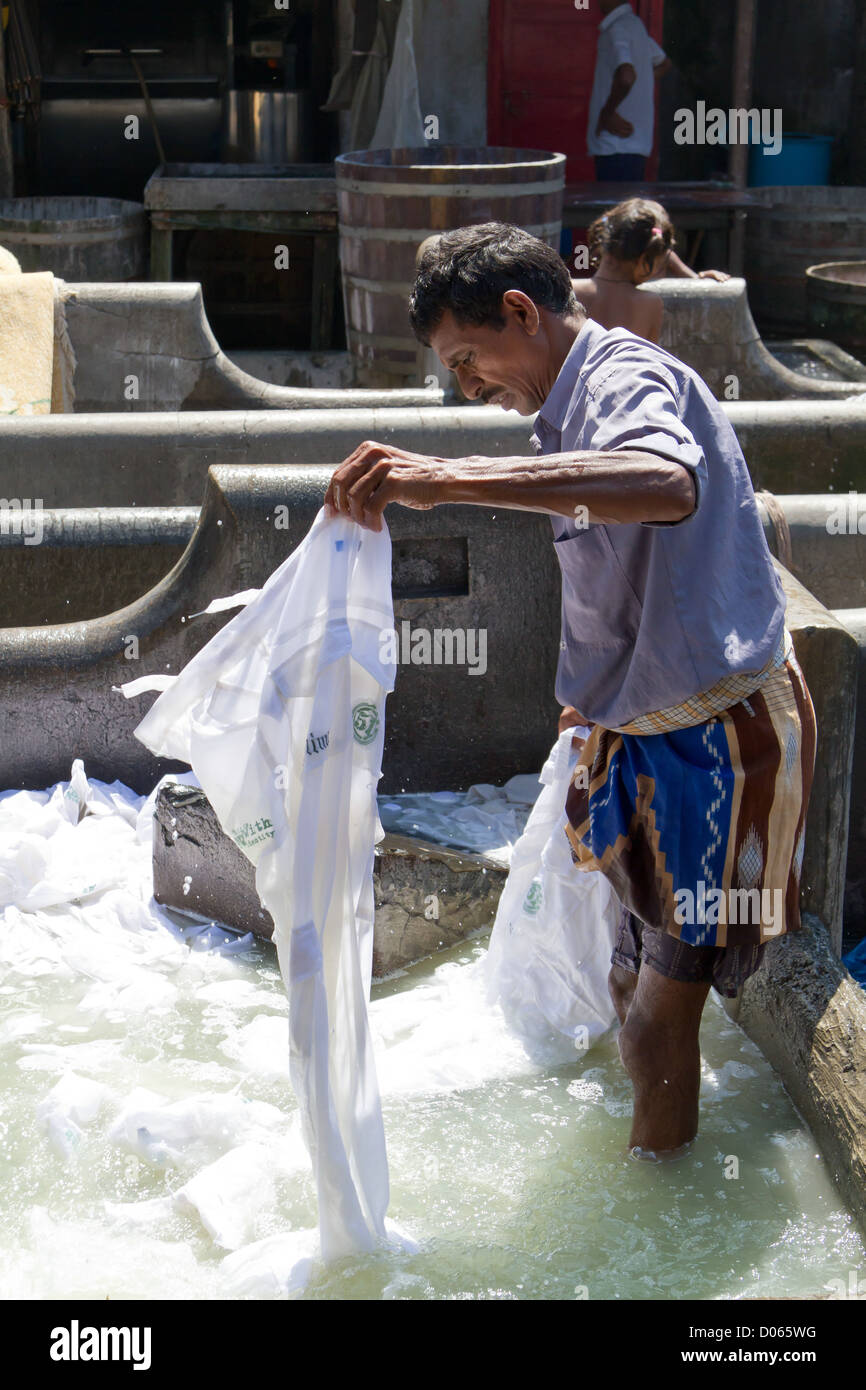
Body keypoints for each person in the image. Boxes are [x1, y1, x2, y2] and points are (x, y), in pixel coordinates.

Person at [324, 222, 816, 1161]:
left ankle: (661, 1233)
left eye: (468, 359)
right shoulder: (564, 409)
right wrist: (592, 695)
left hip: (715, 744)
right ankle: (664, 1175)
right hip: (640, 730)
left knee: (653, 1024)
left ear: (520, 312)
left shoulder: (622, 379)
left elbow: (666, 484)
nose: (467, 386)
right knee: (629, 992)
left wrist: (449, 477)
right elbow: (614, 561)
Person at [573, 197, 730, 343]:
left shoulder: (571, 291)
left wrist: (698, 277)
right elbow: (648, 362)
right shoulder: (650, 303)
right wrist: (700, 278)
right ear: (644, 259)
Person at [588, 1, 671, 182]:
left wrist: (607, 113)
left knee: (616, 206)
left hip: (615, 145)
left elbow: (626, 76)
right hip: (634, 145)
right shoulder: (635, 26)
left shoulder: (617, 29)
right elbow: (663, 64)